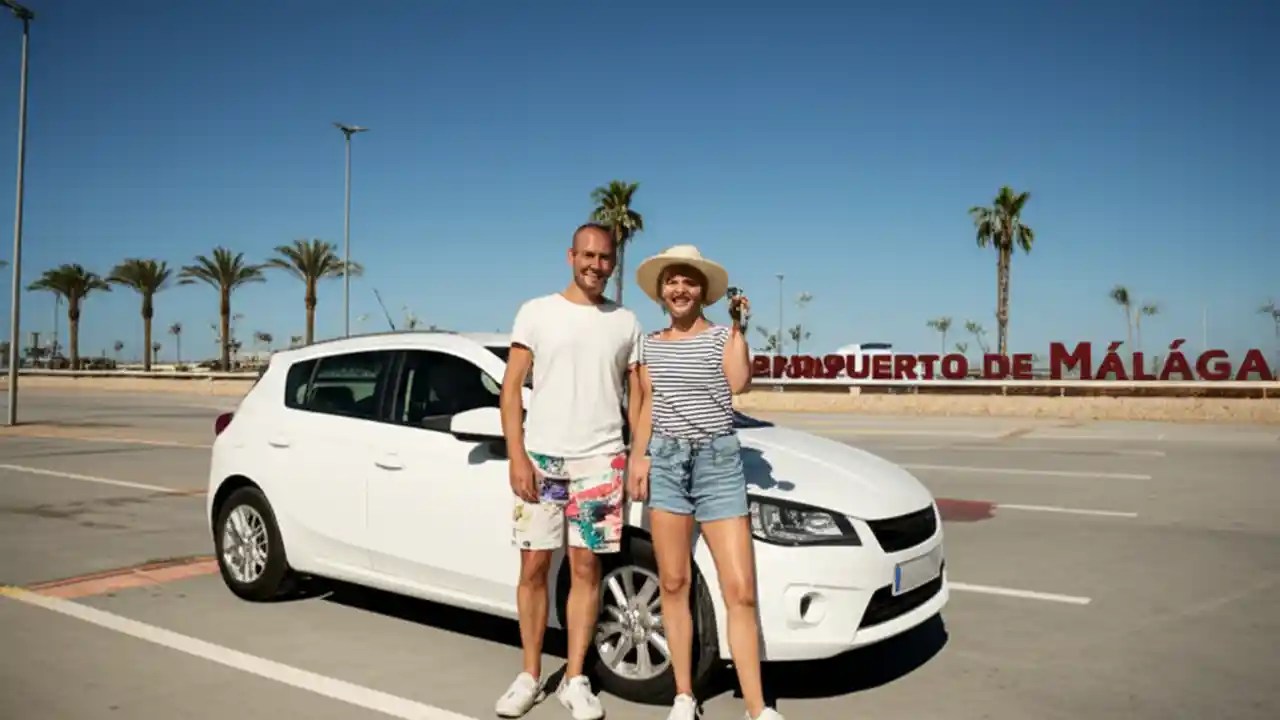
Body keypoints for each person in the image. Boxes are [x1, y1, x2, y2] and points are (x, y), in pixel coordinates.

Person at [627, 245, 784, 720]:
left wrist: (740, 328)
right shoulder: (649, 344)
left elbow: (738, 383)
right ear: (661, 291)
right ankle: (683, 695)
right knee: (672, 582)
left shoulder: (722, 337)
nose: (680, 288)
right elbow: (647, 404)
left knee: (741, 591)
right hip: (668, 465)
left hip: (718, 463)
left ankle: (756, 708)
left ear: (703, 292)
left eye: (688, 281)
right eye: (671, 281)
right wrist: (639, 456)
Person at [495, 222, 645, 720]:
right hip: (543, 461)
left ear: (612, 264)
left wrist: (636, 455)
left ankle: (575, 678)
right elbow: (511, 387)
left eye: (604, 258)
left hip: (602, 462)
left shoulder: (626, 321)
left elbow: (639, 398)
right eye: (587, 255)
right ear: (570, 256)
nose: (595, 265)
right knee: (534, 567)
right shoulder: (536, 313)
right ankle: (530, 676)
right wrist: (517, 455)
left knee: (585, 569)